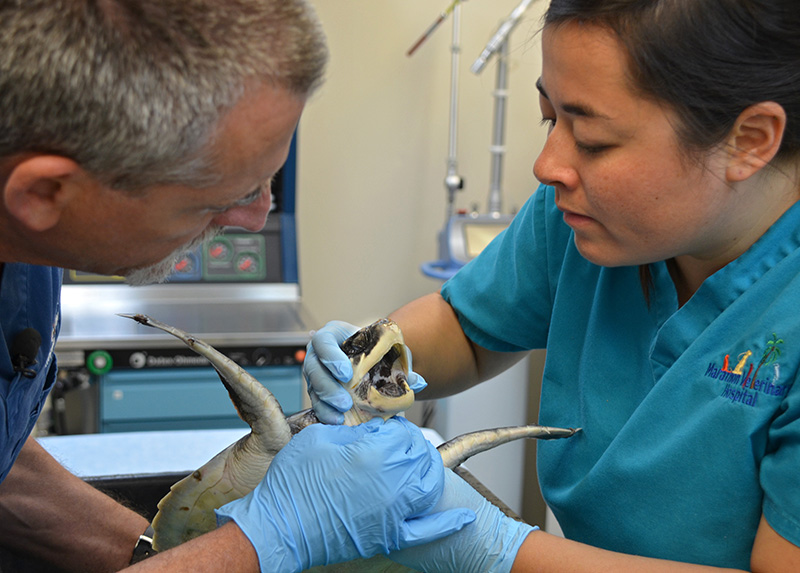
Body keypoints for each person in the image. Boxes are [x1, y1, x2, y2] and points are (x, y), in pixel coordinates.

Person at [305, 0, 800, 571]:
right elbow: (468, 330)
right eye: (549, 117)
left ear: (750, 140)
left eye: (591, 140)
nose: (548, 165)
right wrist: (374, 357)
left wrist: (498, 550)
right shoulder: (583, 220)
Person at [0, 2, 475, 571]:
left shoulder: (29, 240)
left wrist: (162, 552)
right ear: (46, 195)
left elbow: (5, 471)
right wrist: (256, 547)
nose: (256, 220)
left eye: (267, 180)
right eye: (225, 197)